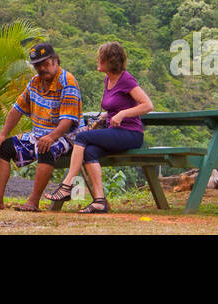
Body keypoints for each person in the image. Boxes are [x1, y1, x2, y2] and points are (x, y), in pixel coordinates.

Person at [0, 41, 81, 212]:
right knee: (4, 147)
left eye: (45, 64)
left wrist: (51, 137)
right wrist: (2, 134)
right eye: (38, 65)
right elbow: (17, 109)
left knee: (47, 147)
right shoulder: (34, 82)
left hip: (64, 137)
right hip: (37, 134)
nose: (42, 68)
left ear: (55, 61)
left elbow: (67, 121)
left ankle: (33, 201)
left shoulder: (67, 81)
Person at [45, 41, 153, 214]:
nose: (97, 59)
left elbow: (148, 105)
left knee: (81, 138)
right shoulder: (108, 79)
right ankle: (99, 201)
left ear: (108, 60)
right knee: (89, 152)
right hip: (114, 132)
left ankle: (66, 186)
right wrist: (103, 119)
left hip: (130, 134)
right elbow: (113, 107)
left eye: (100, 57)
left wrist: (122, 114)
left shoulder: (126, 79)